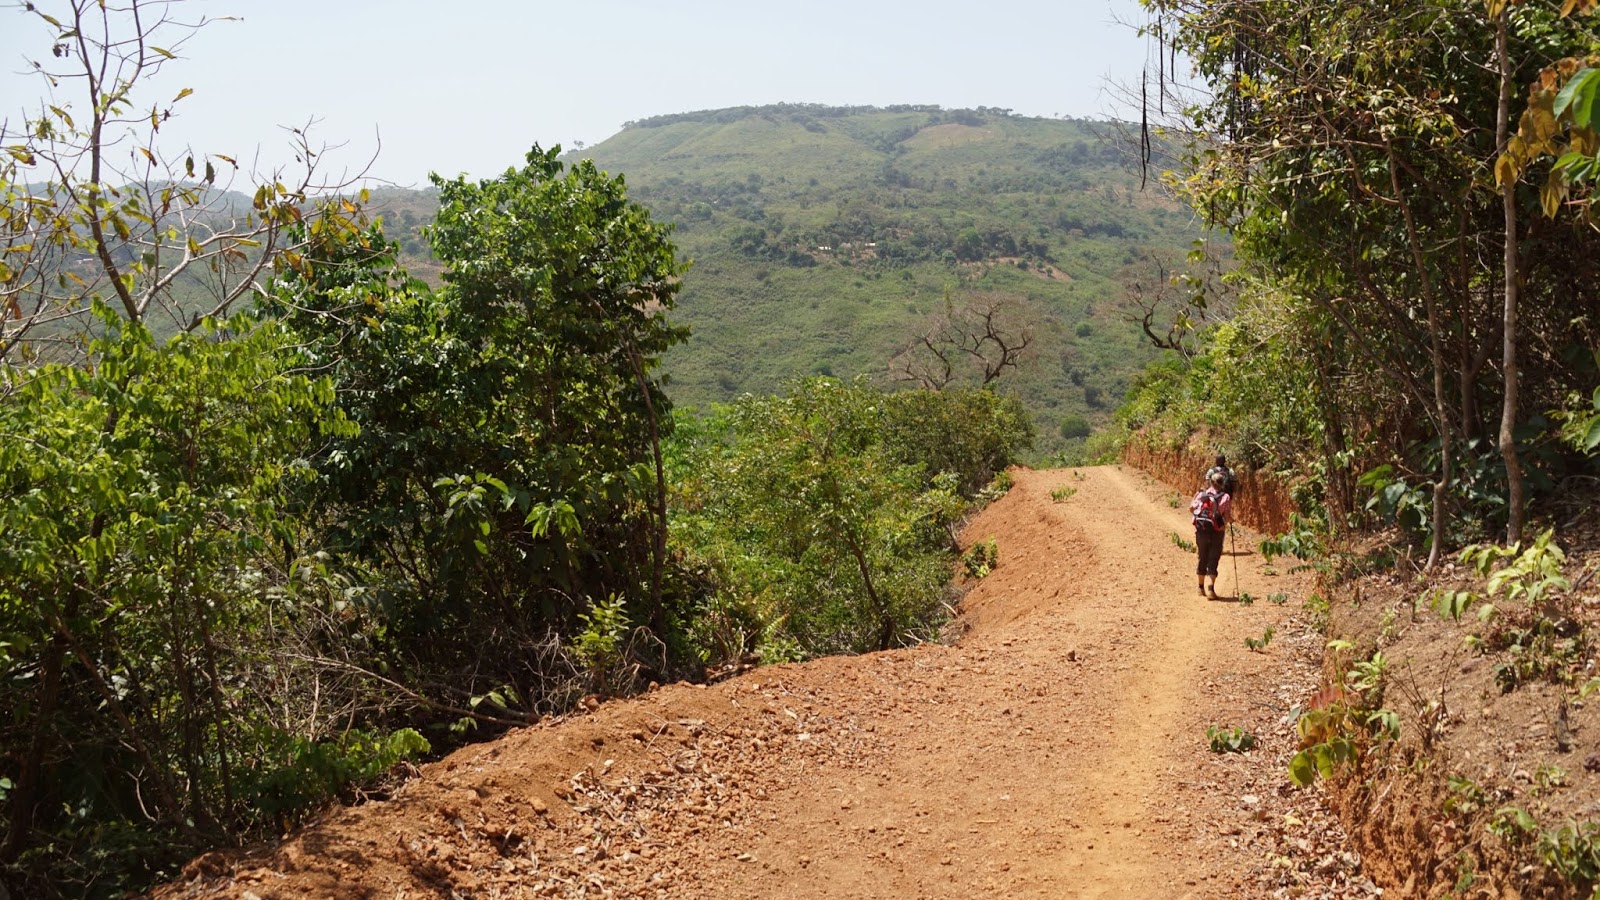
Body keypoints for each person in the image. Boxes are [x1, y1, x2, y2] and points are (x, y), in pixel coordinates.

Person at [1191, 471, 1233, 599]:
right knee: (1213, 558)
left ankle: (1200, 588)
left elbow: (1192, 509)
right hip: (1217, 531)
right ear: (1222, 483)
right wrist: (1231, 520)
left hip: (1202, 530)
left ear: (1210, 482)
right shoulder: (1225, 497)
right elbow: (1226, 516)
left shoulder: (1201, 494)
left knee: (1202, 556)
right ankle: (1211, 590)